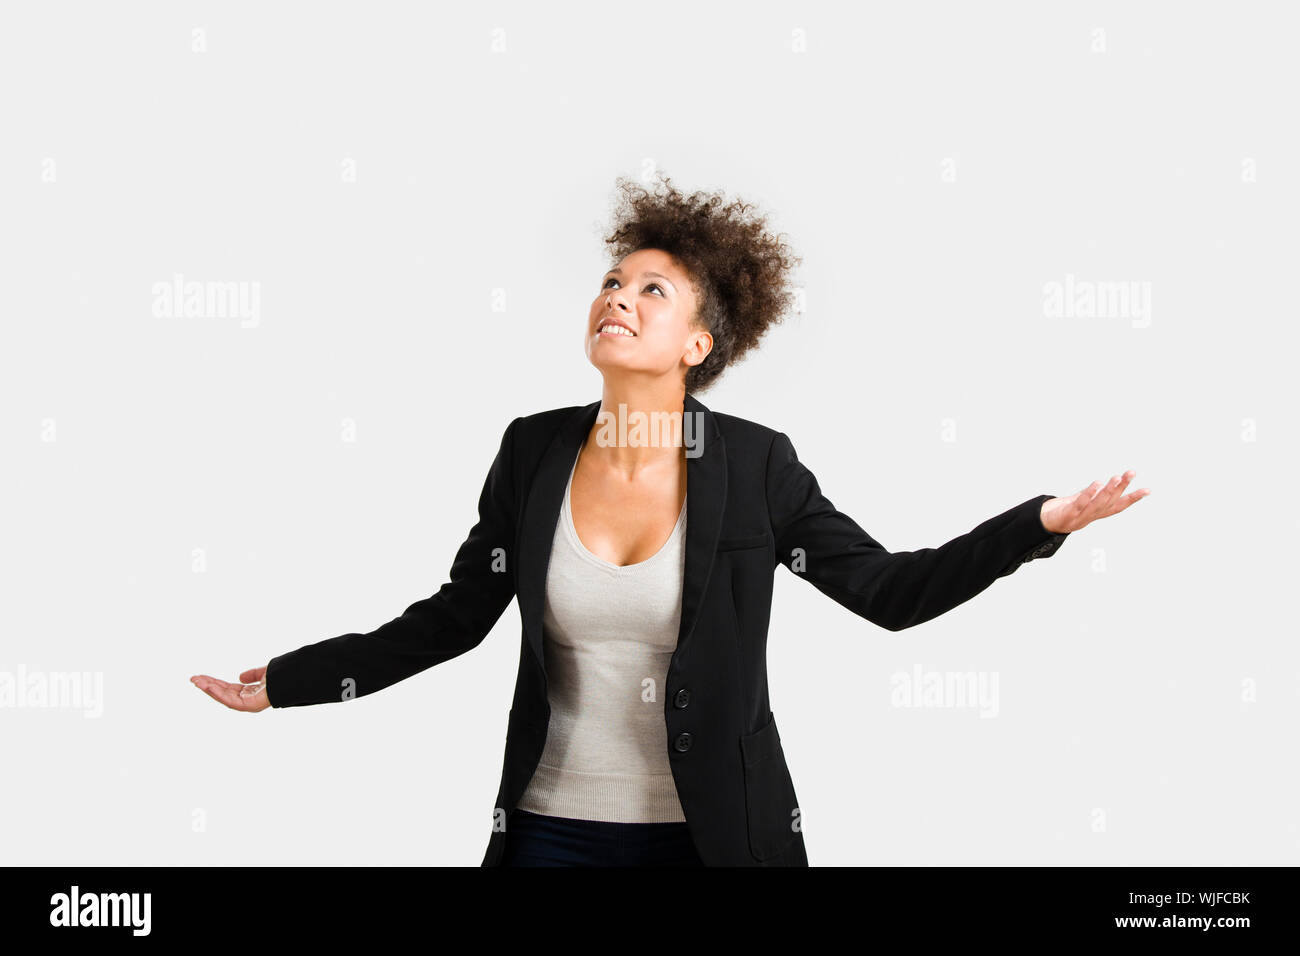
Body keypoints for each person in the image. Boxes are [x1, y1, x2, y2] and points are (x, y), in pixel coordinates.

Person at [192, 173, 1149, 866]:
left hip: (715, 839)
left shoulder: (753, 465)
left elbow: (890, 594)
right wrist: (291, 684)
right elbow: (450, 620)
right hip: (547, 829)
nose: (619, 297)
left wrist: (1042, 523)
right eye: (614, 281)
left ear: (698, 342)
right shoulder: (533, 452)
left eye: (654, 289)